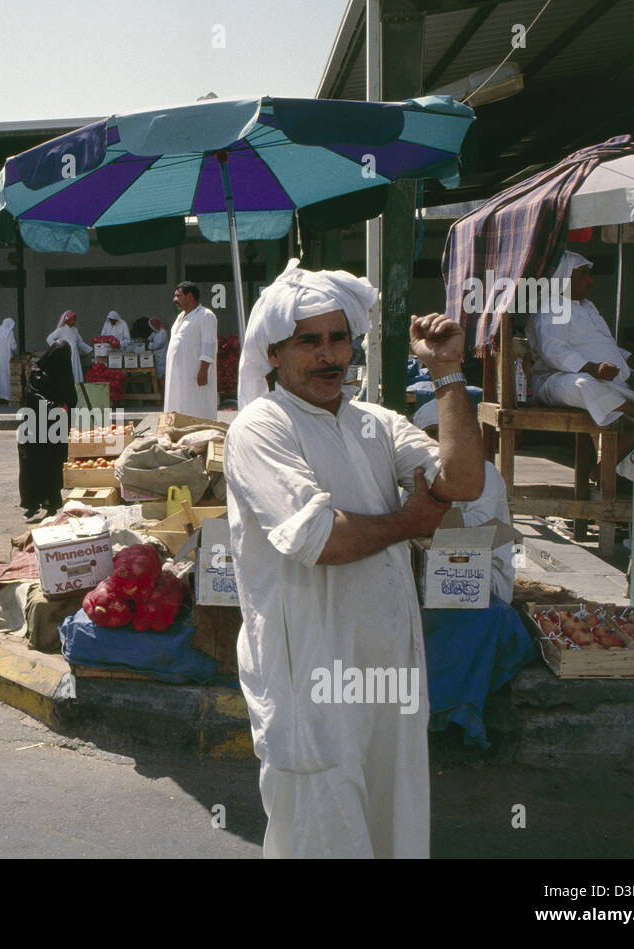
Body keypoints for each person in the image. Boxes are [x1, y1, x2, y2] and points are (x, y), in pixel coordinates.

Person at [225, 260, 484, 859]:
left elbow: (463, 481)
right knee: (322, 817)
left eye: (338, 338)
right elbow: (320, 539)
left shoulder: (375, 422)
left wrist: (446, 375)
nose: (327, 355)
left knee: (391, 803)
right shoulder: (261, 427)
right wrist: (409, 522)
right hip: (308, 665)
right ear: (275, 354)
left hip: (385, 657)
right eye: (308, 341)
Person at [412, 400, 515, 602]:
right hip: (430, 568)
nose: (440, 442)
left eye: (446, 435)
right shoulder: (418, 472)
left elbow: (478, 528)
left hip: (480, 574)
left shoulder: (484, 473)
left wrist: (422, 522)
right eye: (432, 434)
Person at [528, 252, 634, 428]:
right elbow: (554, 351)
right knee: (584, 385)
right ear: (563, 277)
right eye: (583, 274)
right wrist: (592, 368)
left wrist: (630, 358)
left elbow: (601, 343)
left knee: (604, 388)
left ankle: (628, 434)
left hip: (600, 379)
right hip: (555, 380)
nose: (590, 280)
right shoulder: (553, 306)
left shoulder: (587, 306)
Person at [17, 341, 77, 522]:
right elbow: (33, 396)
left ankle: (52, 502)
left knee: (54, 464)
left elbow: (71, 398)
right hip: (35, 424)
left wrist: (64, 407)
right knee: (31, 463)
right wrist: (56, 406)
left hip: (56, 427)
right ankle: (33, 501)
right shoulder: (38, 373)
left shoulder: (64, 374)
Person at [165, 281, 218, 419]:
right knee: (177, 403)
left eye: (178, 296)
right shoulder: (180, 317)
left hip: (194, 373)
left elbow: (209, 345)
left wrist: (203, 370)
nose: (174, 300)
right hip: (177, 374)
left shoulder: (206, 315)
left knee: (197, 405)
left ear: (190, 296)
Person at [46, 311, 93, 384]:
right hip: (66, 355)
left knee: (75, 371)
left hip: (75, 356)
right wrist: (58, 348)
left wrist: (91, 350)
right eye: (73, 319)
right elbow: (49, 339)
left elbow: (80, 343)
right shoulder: (61, 330)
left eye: (75, 319)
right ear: (67, 320)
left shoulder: (75, 330)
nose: (74, 321)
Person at [0, 317, 17, 402]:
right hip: (7, 358)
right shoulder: (10, 333)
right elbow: (14, 347)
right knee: (7, 375)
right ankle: (8, 395)